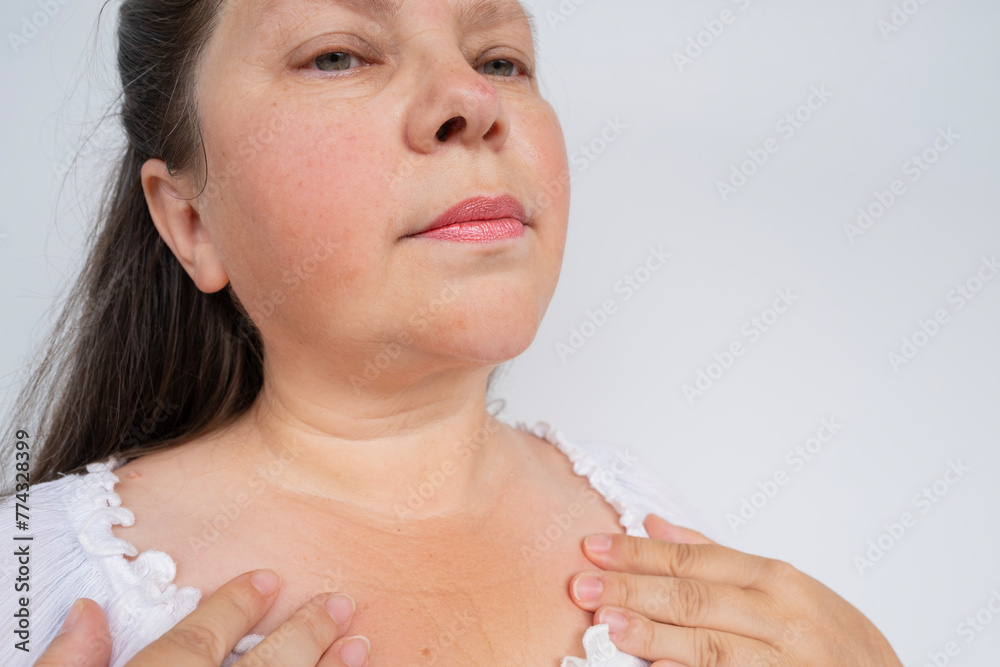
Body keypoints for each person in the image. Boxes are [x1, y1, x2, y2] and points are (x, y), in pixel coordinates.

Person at [2, 0, 903, 664]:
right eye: (339, 55)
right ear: (189, 219)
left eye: (502, 58)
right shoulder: (33, 578)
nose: (471, 98)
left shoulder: (660, 528)